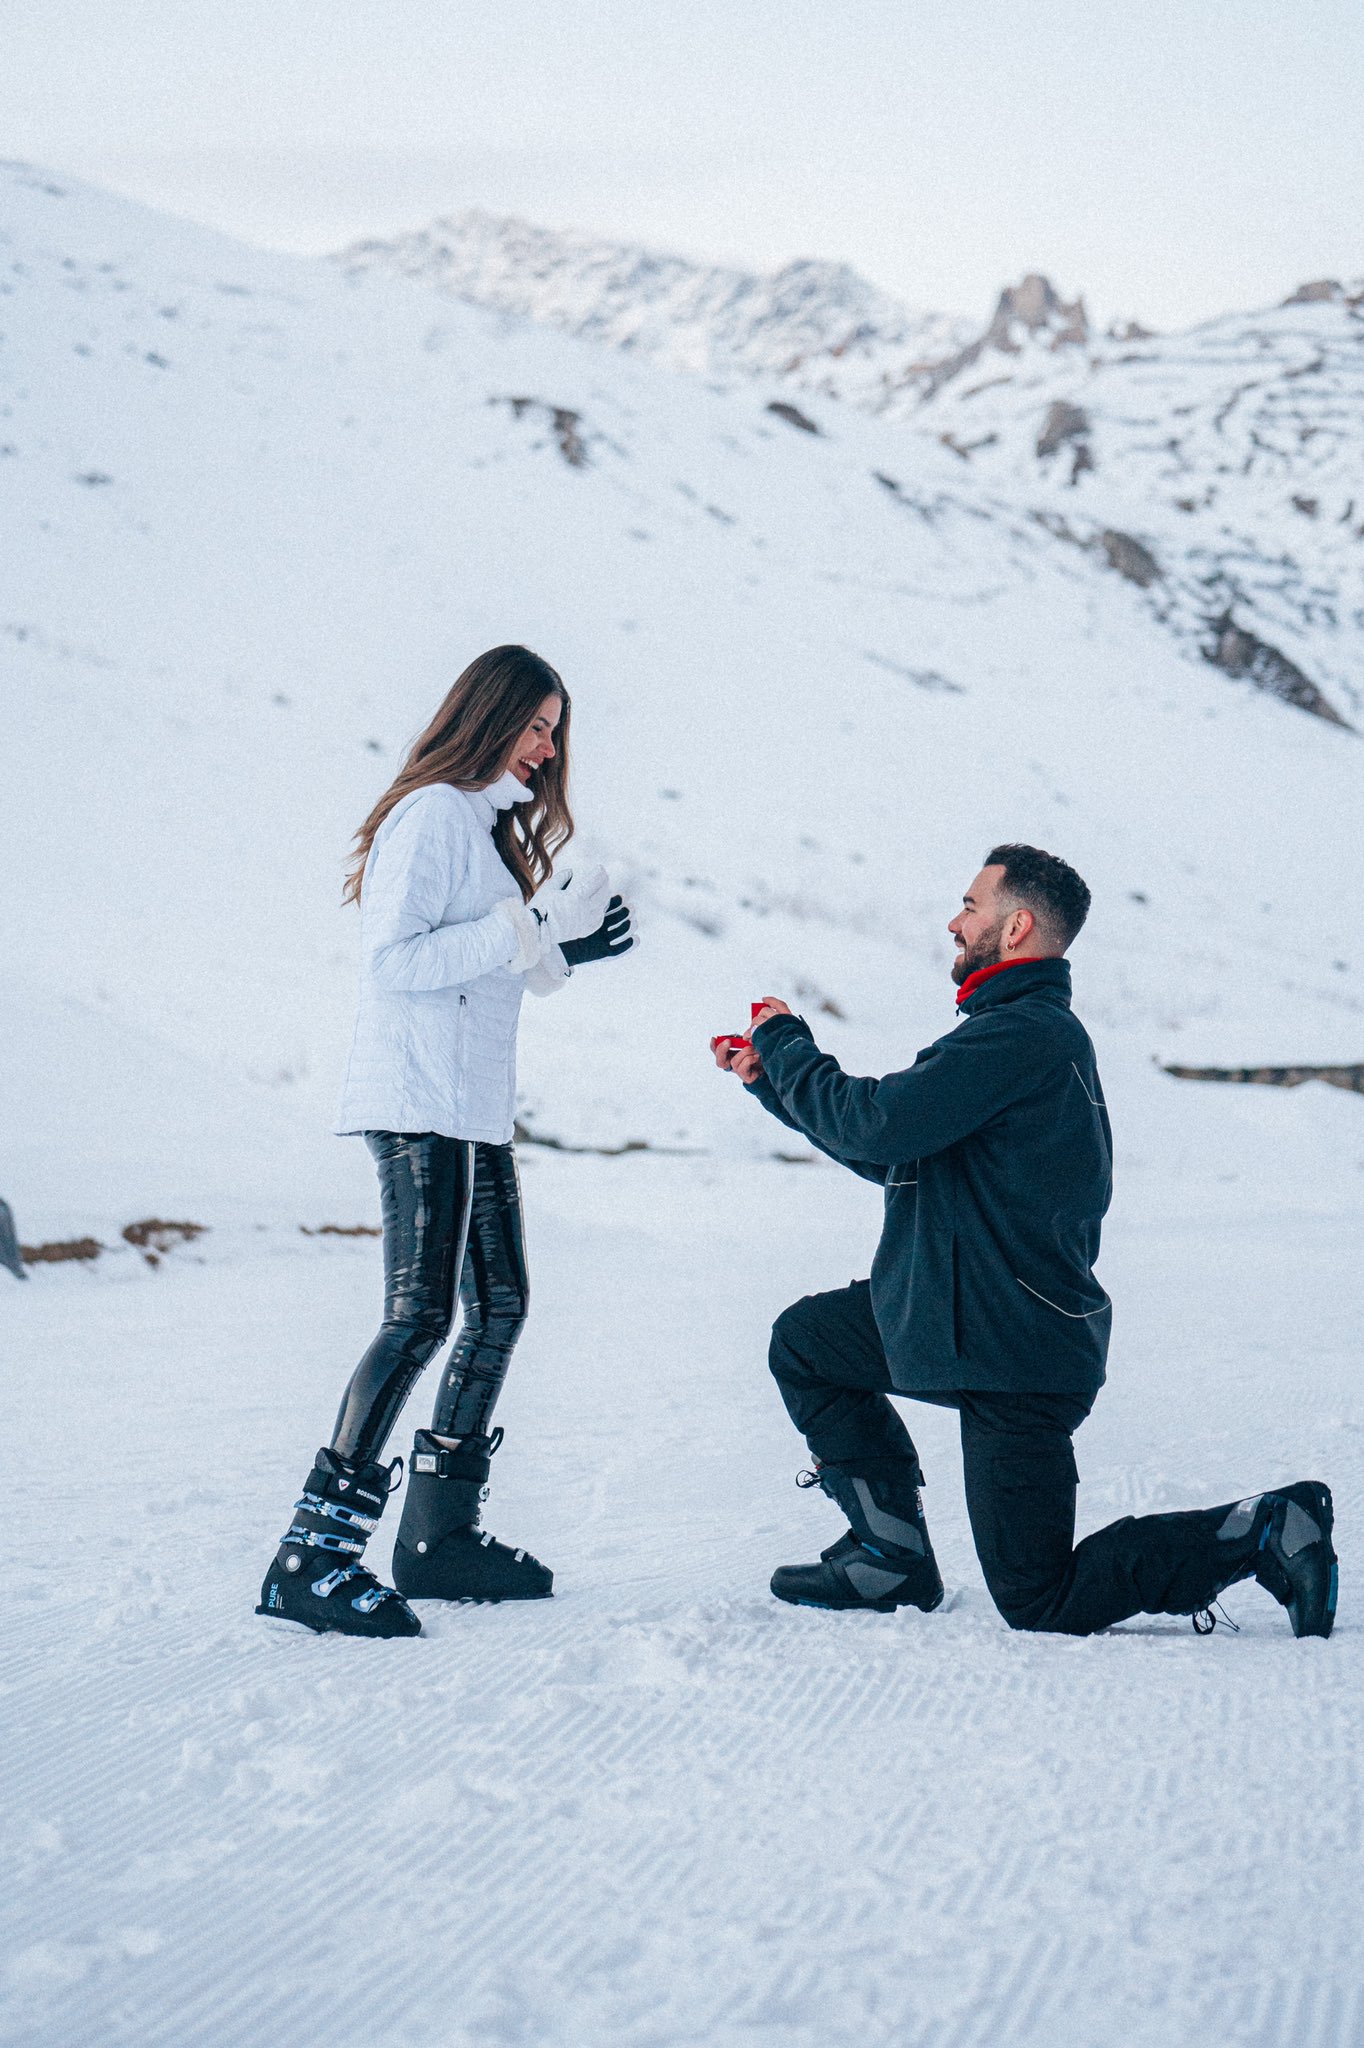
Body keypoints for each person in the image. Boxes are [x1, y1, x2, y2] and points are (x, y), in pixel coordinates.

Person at [714, 844, 1337, 1640]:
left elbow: (878, 1120)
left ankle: (1262, 1529)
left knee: (1041, 1598)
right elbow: (895, 1153)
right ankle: (889, 1556)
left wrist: (788, 1043)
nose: (953, 920)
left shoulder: (1025, 1036)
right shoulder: (1009, 1036)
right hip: (960, 1318)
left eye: (969, 906)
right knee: (807, 1343)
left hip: (1016, 1352)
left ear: (1016, 926)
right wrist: (773, 1084)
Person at [259, 645, 635, 1638]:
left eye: (557, 728)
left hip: (467, 1104)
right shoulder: (430, 814)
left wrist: (564, 943)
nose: (548, 745)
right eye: (536, 722)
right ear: (488, 714)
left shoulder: (486, 829)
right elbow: (395, 959)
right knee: (419, 1315)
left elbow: (490, 963)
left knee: (499, 1302)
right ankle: (312, 1553)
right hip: (415, 1098)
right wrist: (527, 928)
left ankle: (436, 1538)